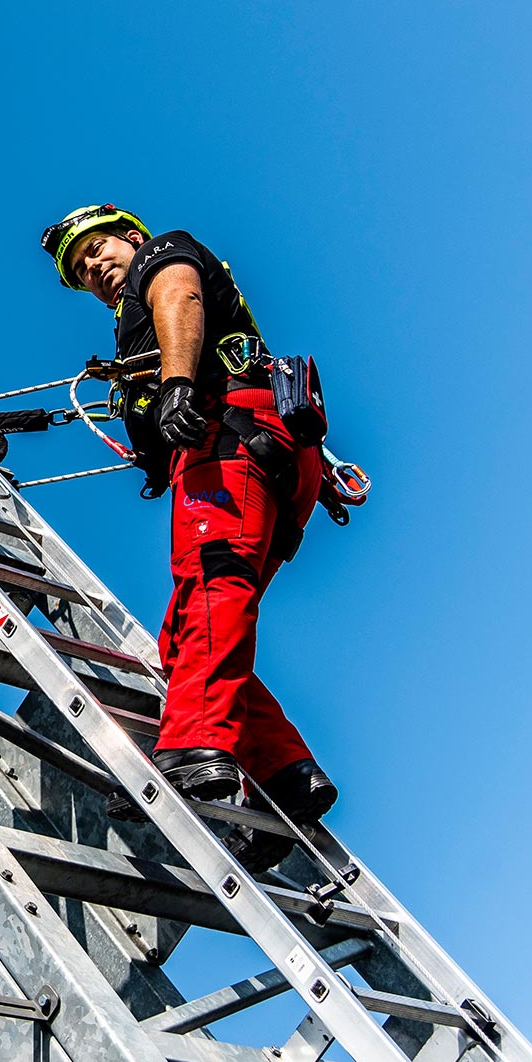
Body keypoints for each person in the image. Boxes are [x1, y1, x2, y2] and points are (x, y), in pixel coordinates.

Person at [41, 205, 338, 871]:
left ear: (131, 237)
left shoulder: (163, 256)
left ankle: (193, 748)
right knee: (182, 640)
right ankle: (284, 774)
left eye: (97, 250)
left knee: (209, 584)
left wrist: (176, 386)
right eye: (81, 270)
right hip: (267, 455)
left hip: (232, 442)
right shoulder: (135, 335)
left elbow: (180, 294)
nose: (93, 268)